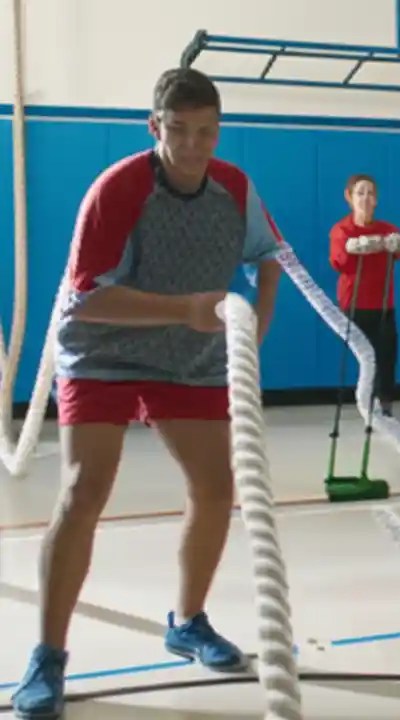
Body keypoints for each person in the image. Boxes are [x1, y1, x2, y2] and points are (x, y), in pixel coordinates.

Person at [10, 67, 283, 719]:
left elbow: (266, 260)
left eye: (208, 132)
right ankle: (47, 654)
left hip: (189, 358)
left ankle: (186, 621)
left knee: (218, 488)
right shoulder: (118, 190)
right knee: (84, 489)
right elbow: (88, 297)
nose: (194, 146)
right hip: (103, 350)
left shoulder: (235, 189)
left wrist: (255, 338)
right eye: (180, 132)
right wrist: (184, 307)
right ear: (155, 127)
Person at [329, 173, 400, 416]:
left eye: (370, 193)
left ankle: (385, 409)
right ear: (349, 197)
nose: (365, 198)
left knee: (386, 357)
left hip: (383, 305)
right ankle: (364, 404)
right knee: (366, 358)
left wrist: (396, 243)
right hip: (353, 305)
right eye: (360, 193)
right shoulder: (342, 230)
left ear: (376, 199)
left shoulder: (388, 229)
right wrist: (357, 246)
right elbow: (339, 261)